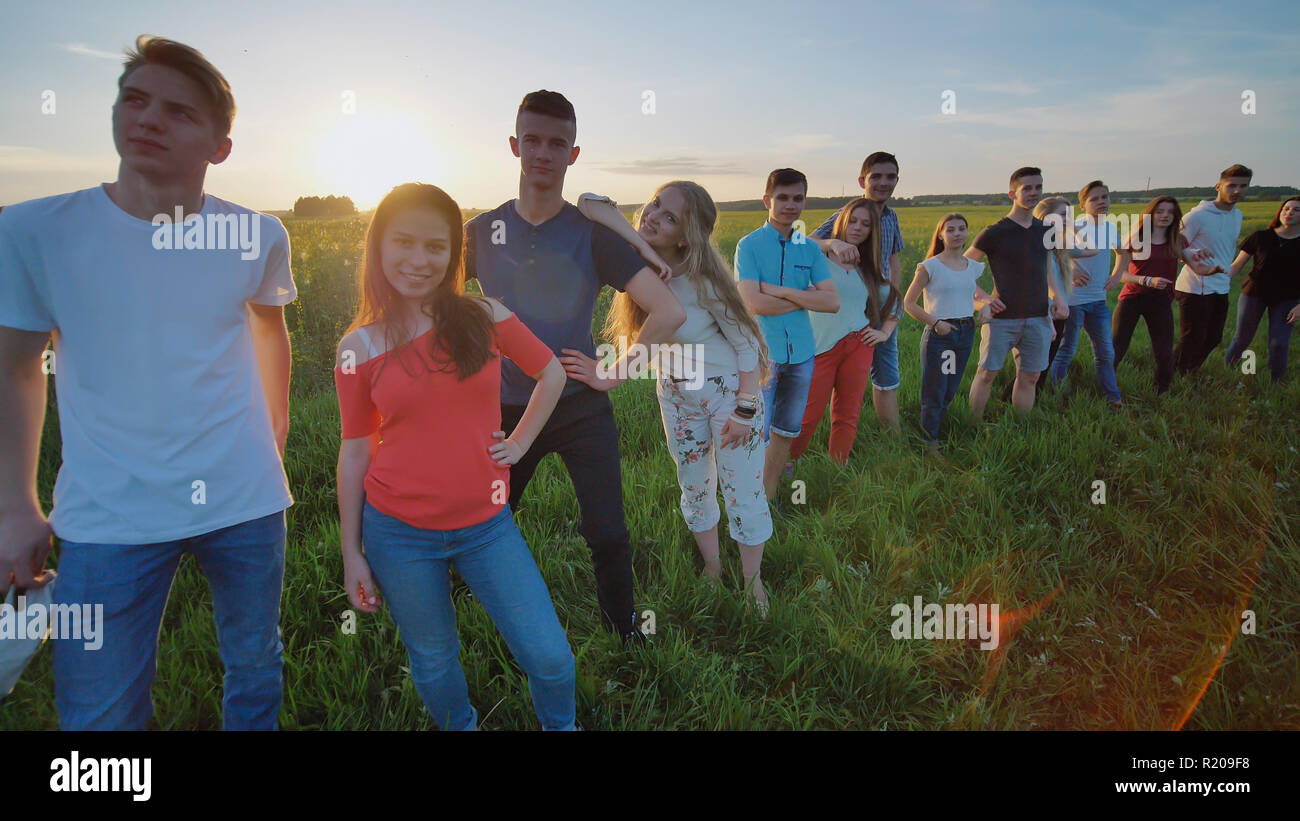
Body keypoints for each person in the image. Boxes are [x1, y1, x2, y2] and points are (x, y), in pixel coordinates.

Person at [0, 36, 294, 729]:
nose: (149, 119)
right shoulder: (33, 230)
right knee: (98, 716)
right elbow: (15, 366)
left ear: (220, 146)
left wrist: (272, 436)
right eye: (135, 100)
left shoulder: (256, 235)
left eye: (178, 112)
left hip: (246, 501)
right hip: (107, 515)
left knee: (255, 665)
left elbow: (269, 329)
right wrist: (16, 506)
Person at [334, 183, 575, 731]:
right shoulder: (359, 348)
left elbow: (552, 374)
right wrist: (353, 552)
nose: (419, 261)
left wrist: (517, 444)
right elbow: (354, 453)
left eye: (435, 247)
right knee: (436, 658)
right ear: (378, 247)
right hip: (398, 533)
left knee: (550, 656)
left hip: (488, 525)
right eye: (404, 242)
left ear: (452, 255)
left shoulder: (484, 314)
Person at [463, 91, 685, 644]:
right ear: (514, 146)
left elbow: (669, 310)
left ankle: (623, 630)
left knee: (607, 531)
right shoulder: (482, 232)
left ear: (573, 153)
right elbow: (433, 305)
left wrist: (613, 372)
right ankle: (457, 602)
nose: (543, 152)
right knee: (483, 516)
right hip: (507, 405)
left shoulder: (590, 234)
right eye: (532, 140)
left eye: (556, 143)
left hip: (580, 405)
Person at [579, 182, 774, 611]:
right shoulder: (638, 266)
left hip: (727, 393)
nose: (653, 216)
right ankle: (712, 568)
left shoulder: (703, 279)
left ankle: (753, 583)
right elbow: (589, 203)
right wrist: (642, 247)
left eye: (670, 217)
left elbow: (747, 346)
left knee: (742, 490)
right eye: (654, 204)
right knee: (694, 485)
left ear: (686, 236)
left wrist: (745, 408)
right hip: (675, 393)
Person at [735, 168, 839, 503]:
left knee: (785, 431)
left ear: (804, 201)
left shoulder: (809, 248)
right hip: (763, 355)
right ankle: (745, 501)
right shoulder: (748, 245)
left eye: (797, 198)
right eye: (782, 197)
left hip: (803, 354)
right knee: (755, 433)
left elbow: (833, 302)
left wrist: (780, 291)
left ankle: (768, 498)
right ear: (767, 200)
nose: (790, 205)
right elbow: (754, 303)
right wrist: (805, 296)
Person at [810, 152, 906, 432]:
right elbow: (809, 241)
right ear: (862, 180)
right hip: (851, 306)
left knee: (887, 371)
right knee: (836, 372)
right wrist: (833, 245)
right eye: (876, 176)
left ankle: (893, 437)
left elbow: (893, 261)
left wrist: (893, 298)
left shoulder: (891, 217)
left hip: (881, 305)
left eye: (890, 177)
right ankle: (816, 437)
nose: (883, 183)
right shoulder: (847, 215)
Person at [966, 167, 1070, 419]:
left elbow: (1046, 267)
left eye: (1038, 187)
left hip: (1038, 316)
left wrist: (1059, 297)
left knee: (1031, 376)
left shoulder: (1045, 231)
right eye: (1027, 188)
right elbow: (962, 268)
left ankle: (1020, 425)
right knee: (987, 373)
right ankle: (972, 424)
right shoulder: (995, 232)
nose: (1034, 193)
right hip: (1003, 318)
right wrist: (984, 298)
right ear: (1013, 193)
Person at [790, 198, 889, 464]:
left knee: (848, 411)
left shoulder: (867, 267)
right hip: (819, 346)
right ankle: (787, 461)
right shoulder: (815, 258)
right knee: (808, 412)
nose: (857, 228)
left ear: (872, 232)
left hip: (858, 344)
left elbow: (895, 301)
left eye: (865, 224)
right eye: (853, 221)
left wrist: (884, 332)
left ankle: (838, 465)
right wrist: (831, 243)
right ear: (842, 222)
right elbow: (793, 243)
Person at [903, 213, 1001, 446]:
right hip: (941, 336)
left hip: (965, 333)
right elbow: (908, 304)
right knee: (935, 392)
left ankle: (939, 432)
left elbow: (970, 298)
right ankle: (929, 443)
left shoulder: (973, 267)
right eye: (951, 229)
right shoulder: (930, 266)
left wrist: (984, 308)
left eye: (962, 229)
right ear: (940, 234)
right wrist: (936, 324)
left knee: (950, 389)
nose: (957, 233)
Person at [1111, 196, 1204, 393]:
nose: (1165, 215)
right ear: (1151, 213)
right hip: (1132, 298)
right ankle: (1107, 386)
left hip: (1161, 301)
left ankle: (1162, 391)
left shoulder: (1178, 240)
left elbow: (1195, 265)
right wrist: (1146, 280)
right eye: (1160, 211)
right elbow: (1121, 275)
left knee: (1163, 351)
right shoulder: (1136, 238)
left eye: (1170, 212)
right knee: (1117, 347)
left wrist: (1212, 268)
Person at [1047, 181, 1123, 406]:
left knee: (1106, 352)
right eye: (1094, 198)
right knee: (1066, 350)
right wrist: (1073, 268)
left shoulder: (1111, 228)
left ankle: (1113, 397)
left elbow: (1122, 252)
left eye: (1105, 197)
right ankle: (1059, 395)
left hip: (1098, 300)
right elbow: (1055, 253)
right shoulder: (1074, 227)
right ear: (1082, 205)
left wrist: (1117, 275)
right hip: (1072, 302)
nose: (1101, 202)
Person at [1173, 164, 1248, 375]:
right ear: (1218, 186)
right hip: (1195, 287)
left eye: (1243, 186)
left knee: (1214, 338)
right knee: (1193, 337)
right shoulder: (1198, 215)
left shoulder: (1237, 215)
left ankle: (1188, 369)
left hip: (1221, 285)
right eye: (1231, 185)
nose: (1237, 191)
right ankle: (1176, 373)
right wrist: (1194, 254)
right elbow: (1176, 243)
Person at [1223, 196, 1300, 383]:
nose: (1289, 212)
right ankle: (1229, 372)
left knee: (1279, 344)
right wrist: (1208, 275)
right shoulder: (1260, 237)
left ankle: (1276, 382)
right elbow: (1235, 267)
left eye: (1296, 210)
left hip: (1288, 300)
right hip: (1254, 294)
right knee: (1242, 339)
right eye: (1286, 208)